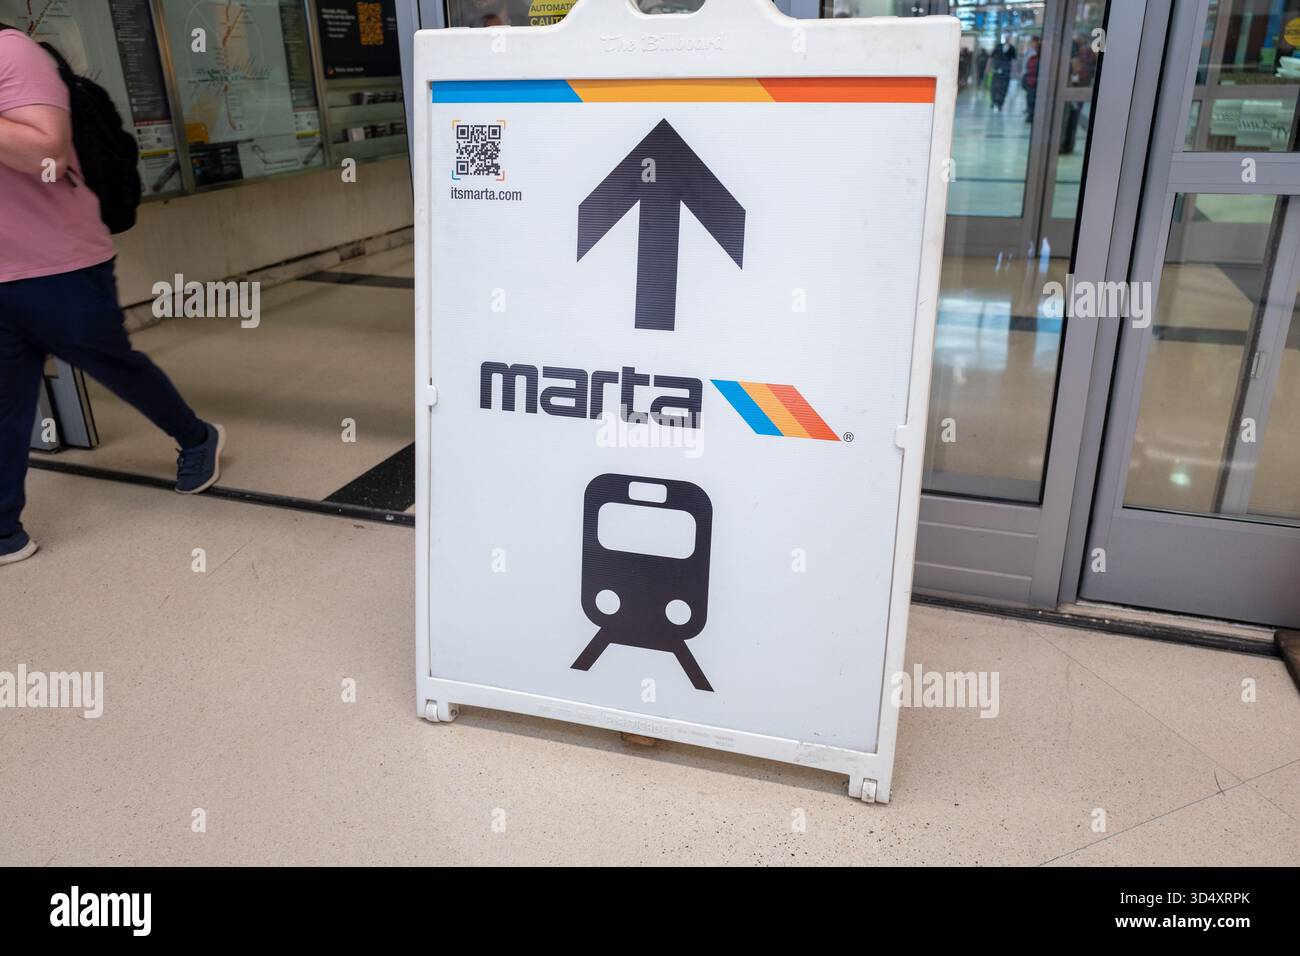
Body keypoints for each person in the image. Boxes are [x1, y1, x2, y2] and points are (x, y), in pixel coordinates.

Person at [0, 27, 224, 567]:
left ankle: (196, 438)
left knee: (114, 365)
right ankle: (4, 529)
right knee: (5, 402)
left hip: (60, 262)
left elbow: (45, 150)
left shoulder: (12, 52)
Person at [989, 35, 1016, 112]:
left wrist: (1014, 72)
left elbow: (1014, 61)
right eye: (1006, 37)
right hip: (996, 71)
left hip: (1006, 72)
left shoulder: (1012, 48)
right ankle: (993, 101)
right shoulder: (999, 46)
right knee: (994, 87)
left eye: (1009, 37)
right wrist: (988, 68)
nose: (1007, 38)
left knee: (1003, 88)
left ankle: (1000, 103)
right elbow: (991, 57)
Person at [1022, 36, 1041, 123]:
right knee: (1029, 97)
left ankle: (1031, 114)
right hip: (1029, 78)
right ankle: (1030, 111)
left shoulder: (1036, 55)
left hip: (1033, 80)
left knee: (1032, 98)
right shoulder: (1030, 52)